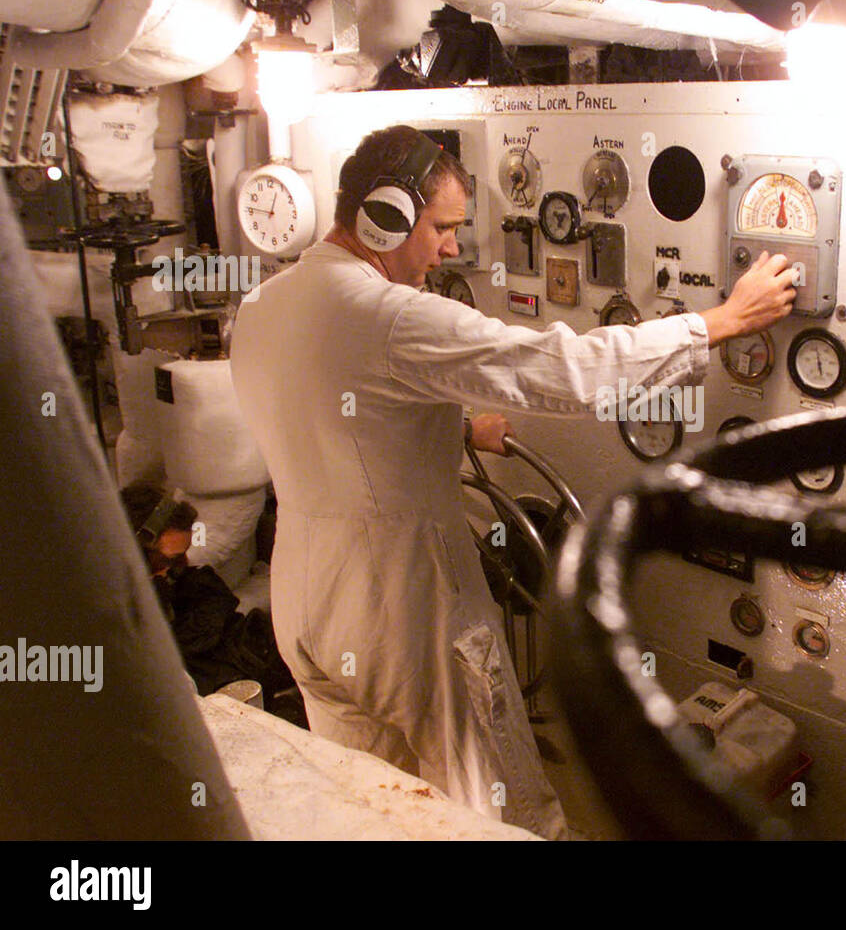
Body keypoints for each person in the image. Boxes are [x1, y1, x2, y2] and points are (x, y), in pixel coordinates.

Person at [229, 124, 796, 840]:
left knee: (366, 806)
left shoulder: (261, 306)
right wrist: (717, 323)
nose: (452, 249)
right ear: (385, 214)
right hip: (404, 607)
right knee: (494, 804)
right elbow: (564, 368)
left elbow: (332, 415)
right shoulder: (390, 314)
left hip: (304, 598)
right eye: (441, 228)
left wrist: (458, 430)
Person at [121, 482, 298, 710]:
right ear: (135, 552)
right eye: (166, 561)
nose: (175, 570)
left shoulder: (180, 585)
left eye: (181, 559)